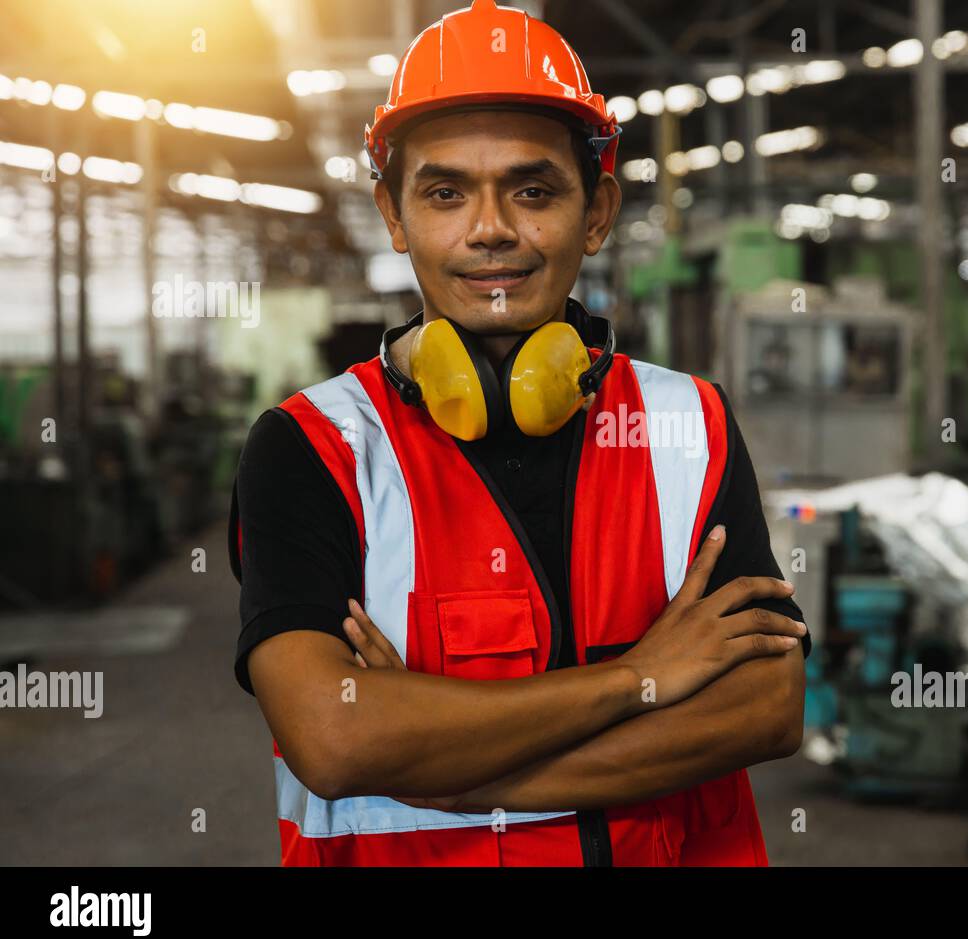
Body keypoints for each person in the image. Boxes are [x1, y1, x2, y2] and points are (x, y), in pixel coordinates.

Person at [228, 0, 810, 867]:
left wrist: (453, 770)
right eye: (445, 192)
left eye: (533, 190)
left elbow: (767, 707)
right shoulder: (312, 448)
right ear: (395, 217)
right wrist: (636, 680)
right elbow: (337, 739)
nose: (492, 227)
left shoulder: (689, 425)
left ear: (598, 211)